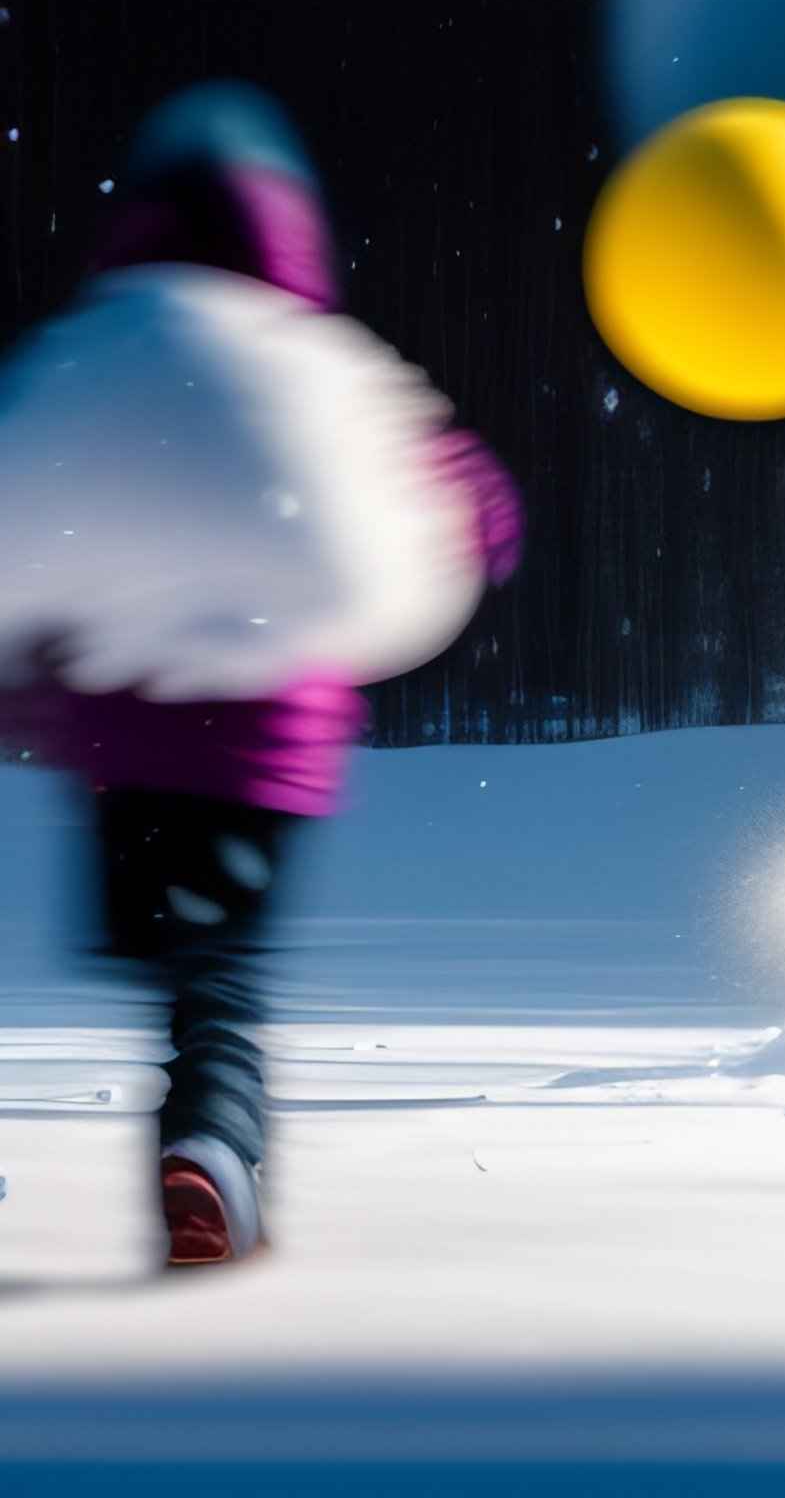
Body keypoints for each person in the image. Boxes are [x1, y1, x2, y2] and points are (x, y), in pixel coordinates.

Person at [0, 84, 520, 1266]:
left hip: (122, 748)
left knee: (168, 957)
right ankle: (213, 1144)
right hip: (258, 754)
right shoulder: (317, 364)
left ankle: (202, 1125)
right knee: (217, 980)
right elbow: (466, 497)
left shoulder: (95, 350)